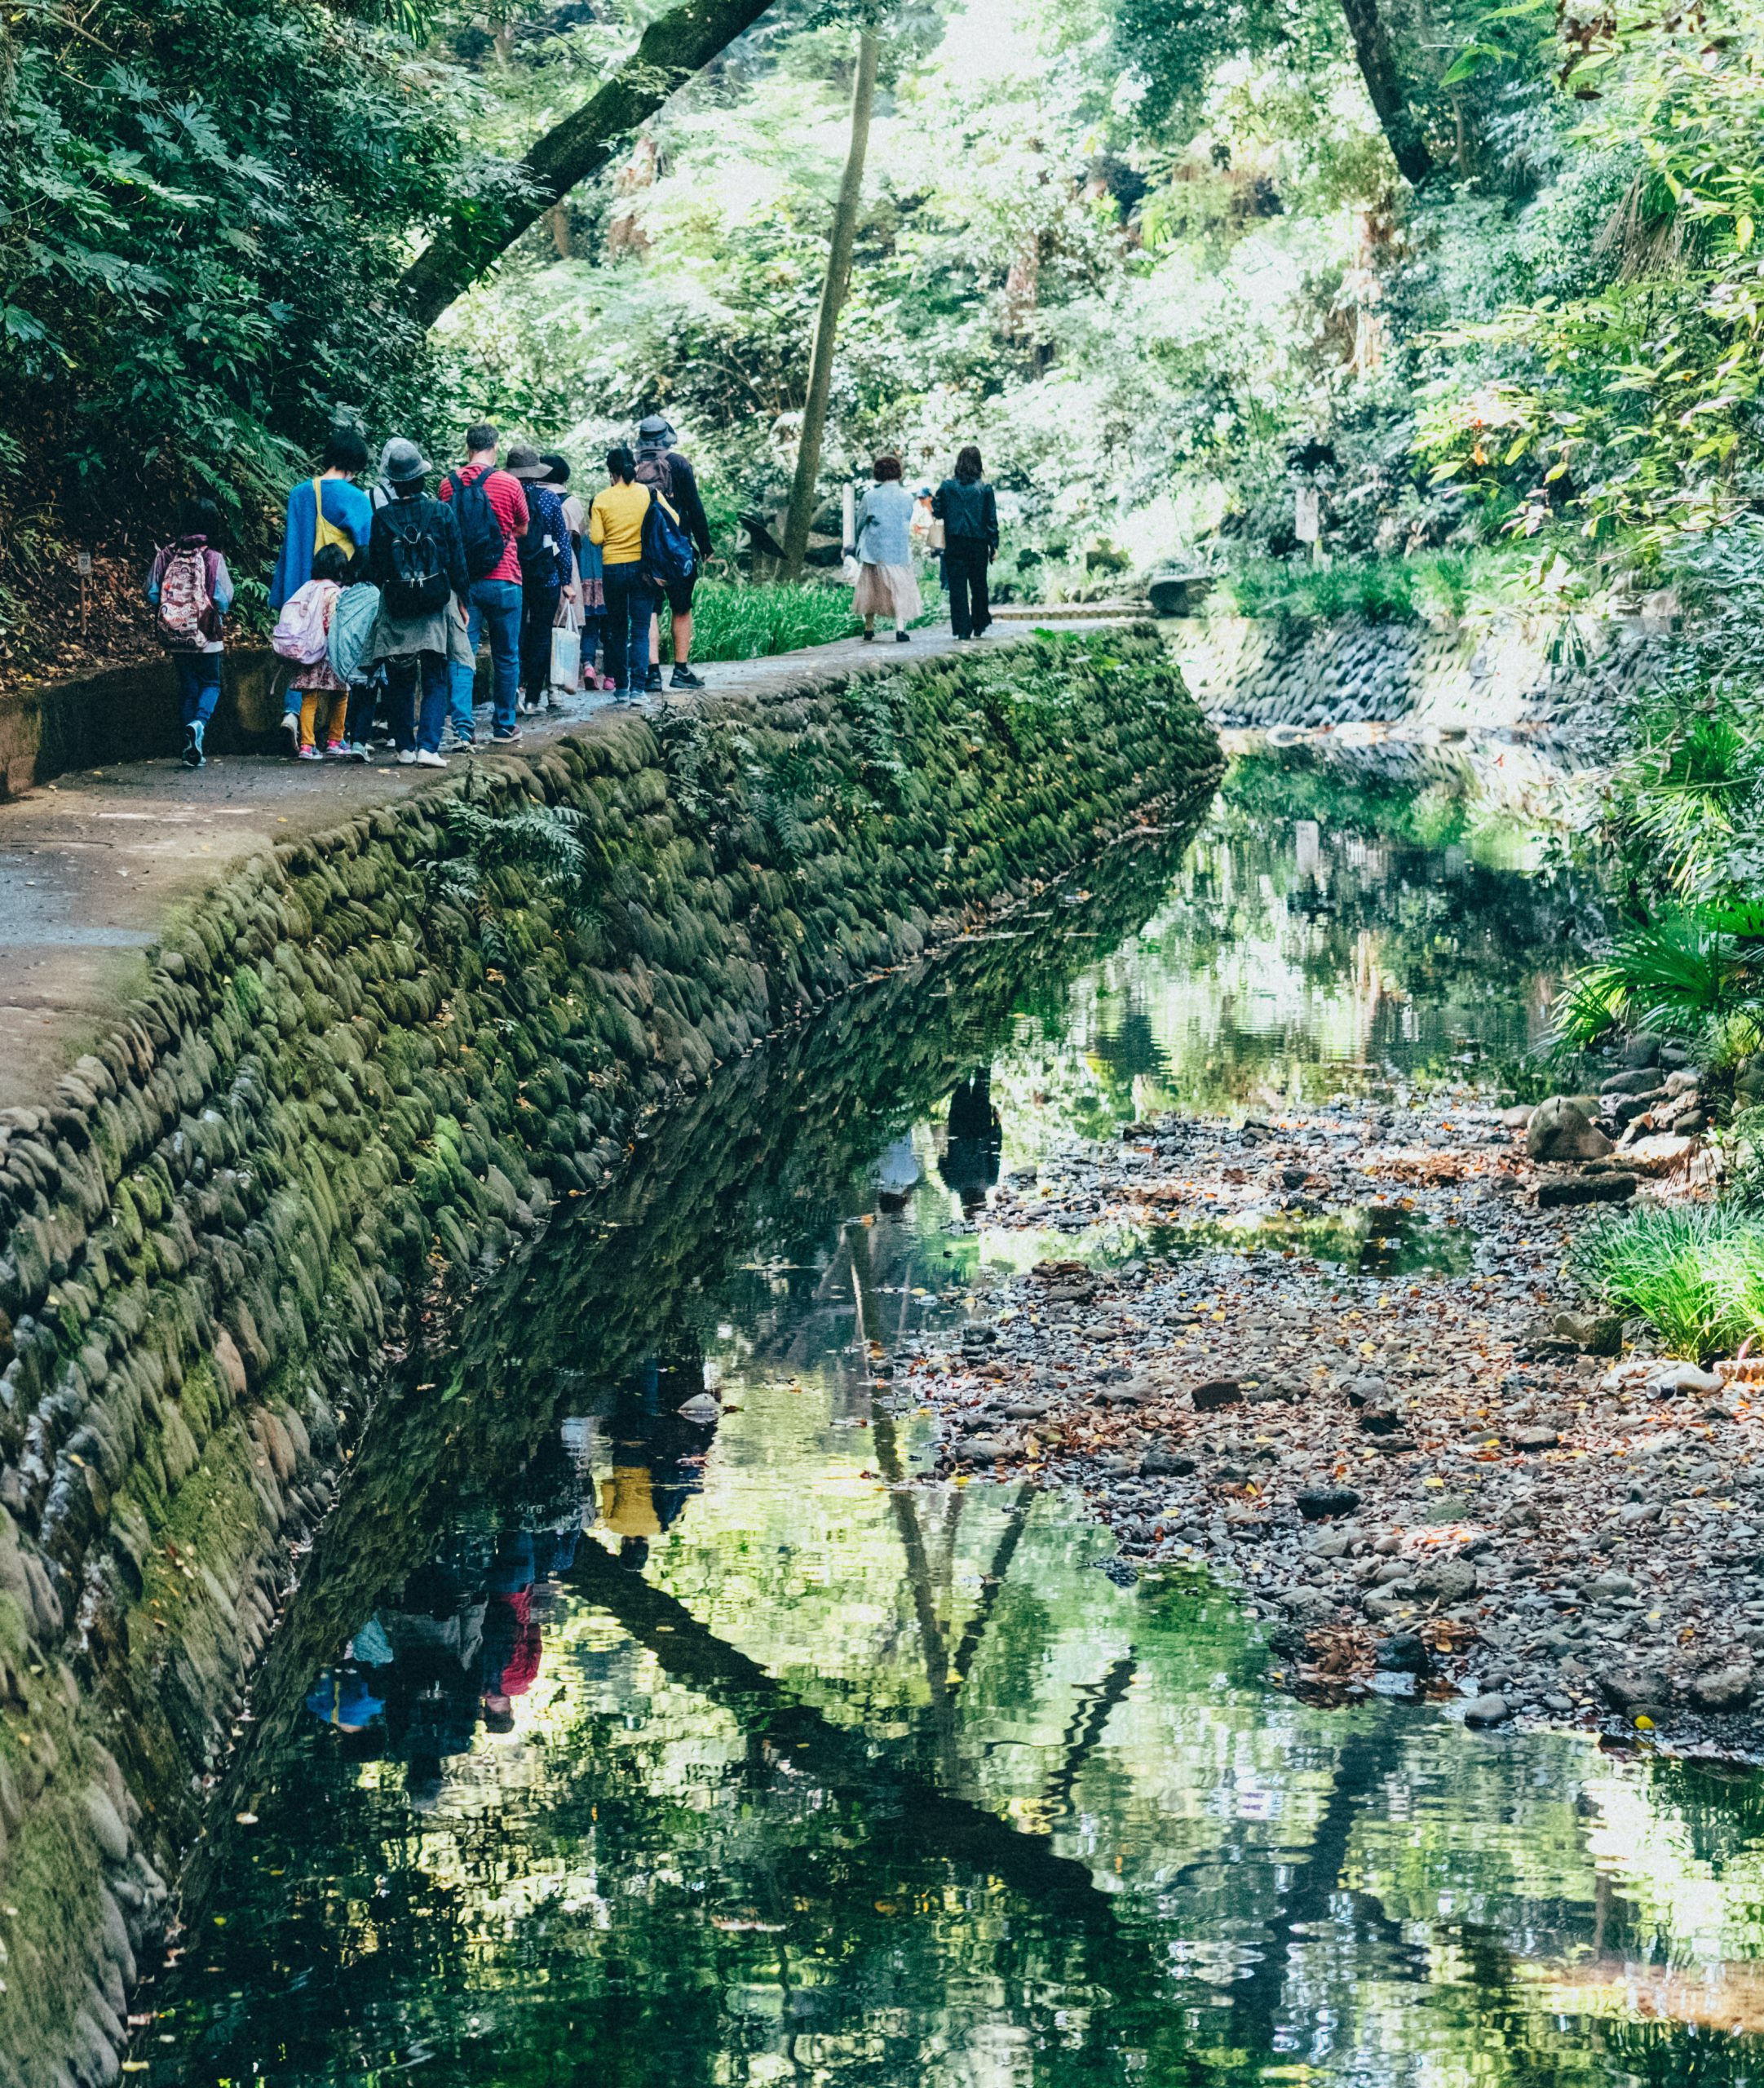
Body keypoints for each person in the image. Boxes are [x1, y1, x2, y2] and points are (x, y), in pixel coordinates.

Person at [363, 438, 470, 768]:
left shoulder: (381, 518)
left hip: (397, 607)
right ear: (422, 478)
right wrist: (463, 599)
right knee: (436, 675)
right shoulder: (441, 512)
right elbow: (456, 560)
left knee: (399, 678)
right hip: (435, 605)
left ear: (392, 484)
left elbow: (375, 568)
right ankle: (428, 747)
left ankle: (405, 748)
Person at [269, 426, 374, 754]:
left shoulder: (299, 493)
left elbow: (288, 548)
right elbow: (367, 548)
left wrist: (281, 594)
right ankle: (333, 736)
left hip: (299, 592)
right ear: (355, 464)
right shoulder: (355, 498)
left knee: (302, 658)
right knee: (335, 666)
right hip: (335, 595)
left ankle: (292, 714)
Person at [439, 422, 529, 748]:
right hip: (505, 578)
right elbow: (522, 528)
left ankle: (463, 729)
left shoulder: (447, 485)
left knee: (463, 654)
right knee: (507, 655)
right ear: (494, 447)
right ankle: (504, 726)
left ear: (468, 448)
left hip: (464, 584)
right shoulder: (509, 483)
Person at [147, 498, 234, 770]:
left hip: (175, 635)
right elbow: (223, 598)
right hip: (206, 634)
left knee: (188, 688)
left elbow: (151, 593)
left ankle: (189, 750)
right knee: (211, 683)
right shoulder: (213, 558)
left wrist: (175, 612)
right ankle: (199, 724)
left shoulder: (166, 554)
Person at [590, 446, 674, 703]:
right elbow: (674, 521)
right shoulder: (651, 494)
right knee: (640, 629)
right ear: (635, 467)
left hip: (613, 569)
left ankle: (621, 688)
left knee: (616, 629)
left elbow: (596, 538)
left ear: (610, 471)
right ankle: (639, 689)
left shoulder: (601, 499)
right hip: (644, 570)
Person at [635, 414, 711, 690]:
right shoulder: (678, 463)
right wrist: (706, 547)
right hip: (678, 550)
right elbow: (694, 505)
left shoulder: (632, 464)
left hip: (645, 552)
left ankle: (652, 674)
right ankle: (680, 671)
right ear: (667, 434)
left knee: (651, 610)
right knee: (681, 608)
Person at [505, 443, 574, 716]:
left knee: (515, 634)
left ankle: (513, 694)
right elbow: (562, 542)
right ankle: (534, 697)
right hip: (546, 577)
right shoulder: (549, 499)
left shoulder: (503, 495)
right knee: (542, 635)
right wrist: (566, 580)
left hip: (513, 575)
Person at [278, 542, 352, 759]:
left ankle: (306, 745)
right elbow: (334, 623)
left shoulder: (307, 588)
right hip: (329, 654)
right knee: (341, 696)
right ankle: (335, 740)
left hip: (307, 653)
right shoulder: (334, 592)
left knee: (310, 698)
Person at [543, 450, 608, 694]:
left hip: (534, 567)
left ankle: (531, 688)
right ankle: (557, 687)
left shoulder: (531, 496)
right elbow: (577, 537)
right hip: (565, 567)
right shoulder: (570, 502)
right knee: (564, 628)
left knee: (538, 628)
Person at [851, 456, 922, 644]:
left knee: (870, 588)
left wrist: (858, 541)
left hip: (874, 550)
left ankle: (869, 628)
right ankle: (900, 628)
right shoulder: (907, 498)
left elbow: (860, 522)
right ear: (898, 472)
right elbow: (906, 519)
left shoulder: (870, 497)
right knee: (899, 588)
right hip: (898, 551)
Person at [932, 445, 998, 639]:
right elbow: (991, 520)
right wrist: (994, 545)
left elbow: (937, 511)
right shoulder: (985, 489)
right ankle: (979, 623)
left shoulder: (946, 487)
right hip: (978, 543)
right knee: (979, 584)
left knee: (957, 586)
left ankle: (962, 628)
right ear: (978, 464)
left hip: (954, 542)